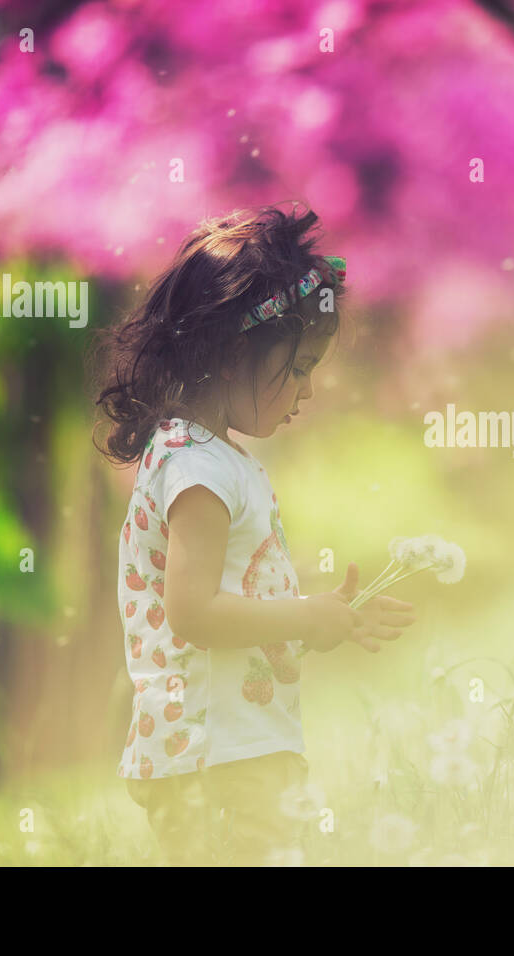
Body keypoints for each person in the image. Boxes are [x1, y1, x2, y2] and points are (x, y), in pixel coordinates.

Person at [90, 204, 416, 865]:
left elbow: (230, 604)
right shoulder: (198, 466)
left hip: (228, 750)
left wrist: (327, 617)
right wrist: (302, 616)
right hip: (216, 759)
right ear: (235, 352)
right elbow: (195, 613)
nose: (307, 392)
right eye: (297, 369)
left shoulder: (211, 458)